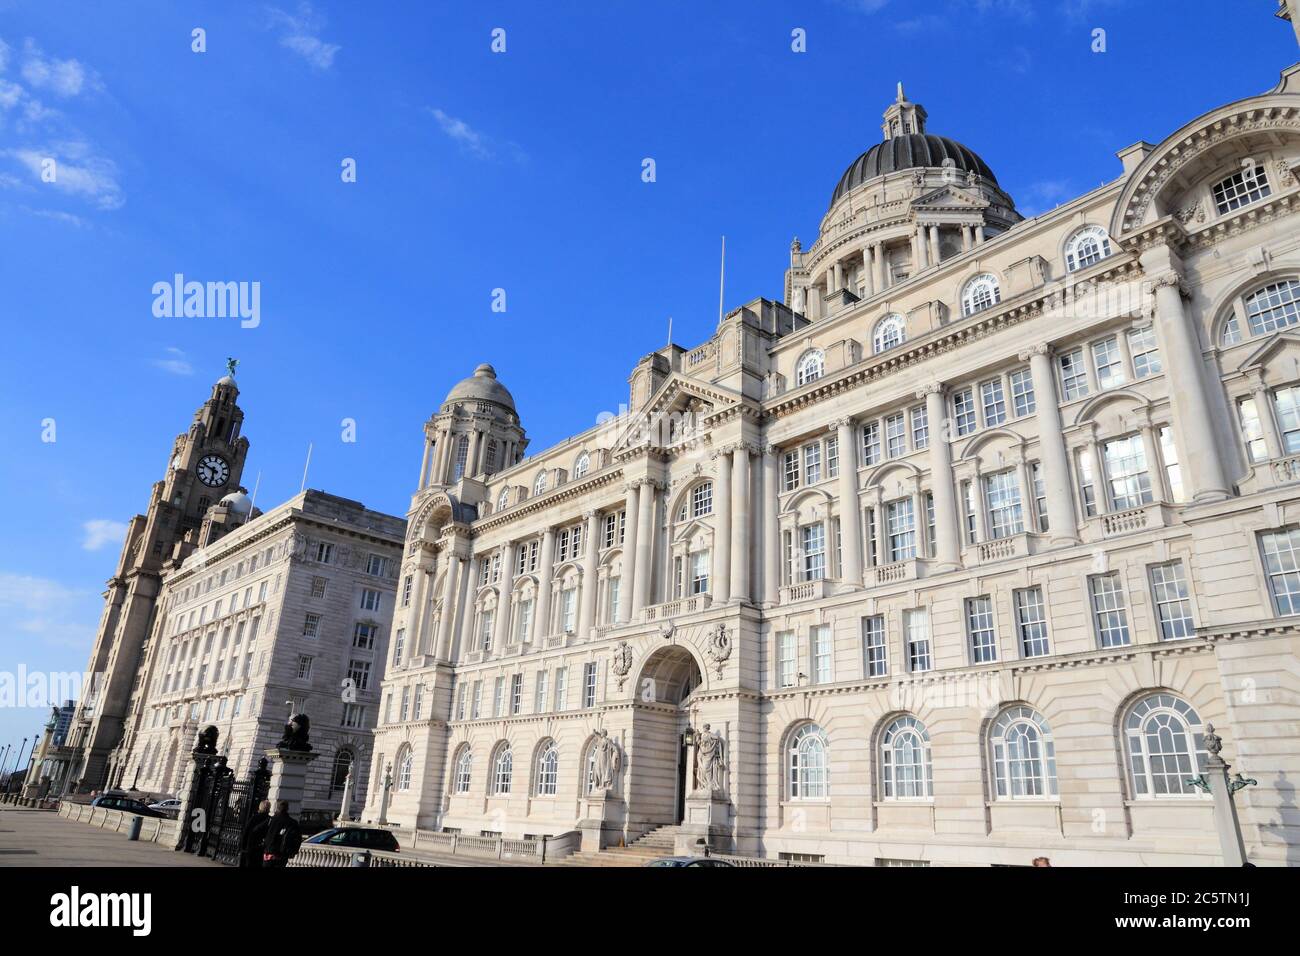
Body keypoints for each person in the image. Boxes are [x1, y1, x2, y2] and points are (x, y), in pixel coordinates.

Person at [262, 801, 302, 868]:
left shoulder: (271, 820)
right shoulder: (292, 823)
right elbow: (298, 839)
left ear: (277, 808)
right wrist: (293, 852)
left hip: (269, 854)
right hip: (282, 855)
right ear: (287, 809)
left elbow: (257, 831)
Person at [239, 800, 271, 868]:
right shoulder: (270, 820)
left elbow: (246, 832)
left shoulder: (254, 818)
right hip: (262, 847)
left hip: (250, 846)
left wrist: (242, 846)